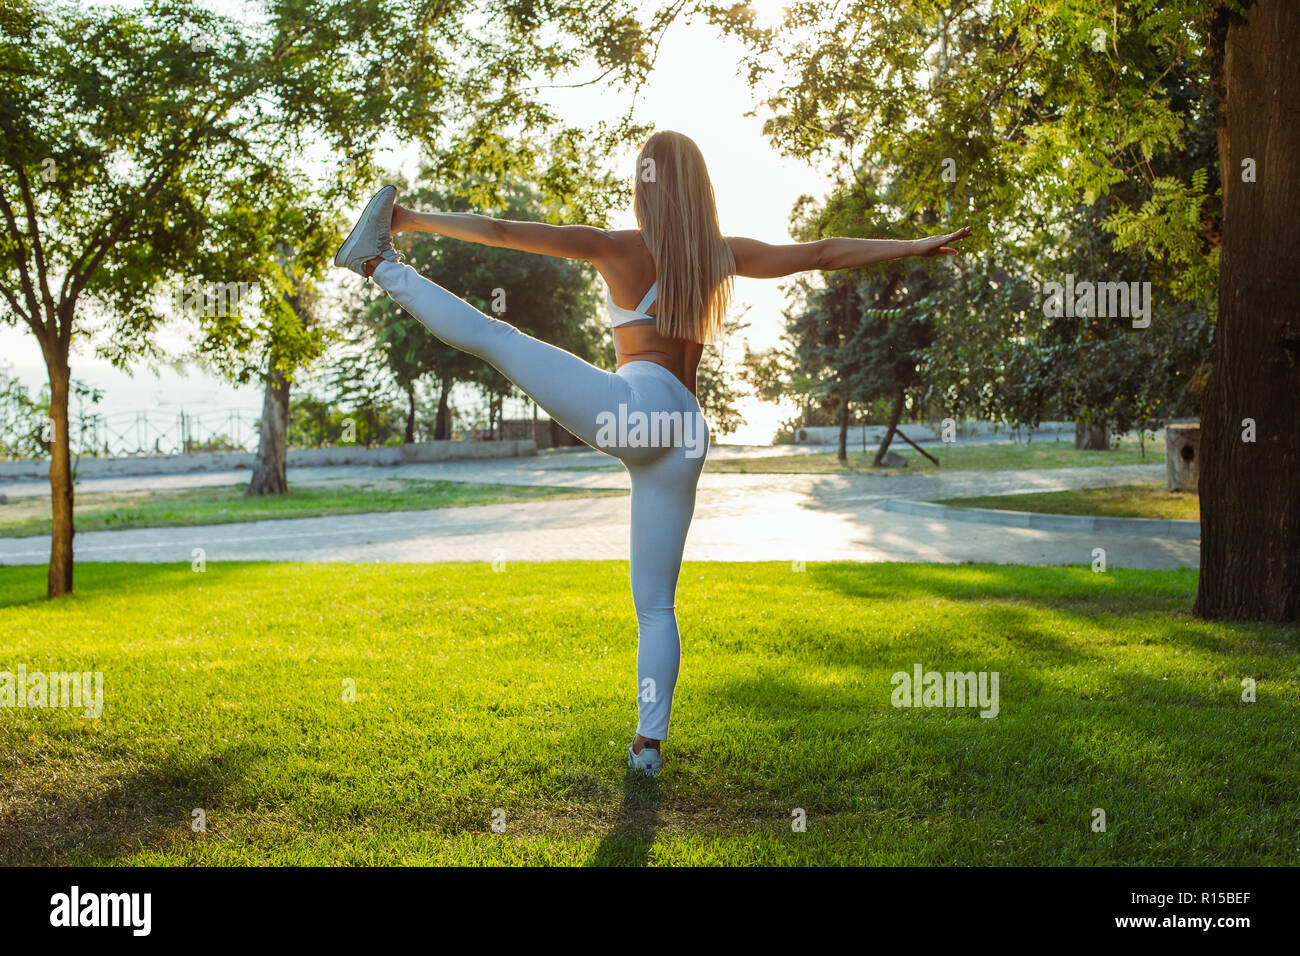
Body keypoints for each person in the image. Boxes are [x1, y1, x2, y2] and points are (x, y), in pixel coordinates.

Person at [334, 130, 971, 775]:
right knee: (658, 605)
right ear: (700, 189)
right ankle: (648, 747)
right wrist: (916, 245)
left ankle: (378, 263)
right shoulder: (718, 256)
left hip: (639, 411)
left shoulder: (618, 247)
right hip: (688, 429)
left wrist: (410, 220)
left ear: (645, 185)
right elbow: (824, 253)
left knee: (497, 339)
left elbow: (499, 229)